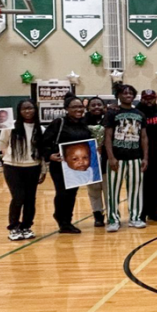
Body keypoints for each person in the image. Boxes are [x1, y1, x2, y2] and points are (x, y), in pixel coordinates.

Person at [0, 100, 45, 240]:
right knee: (18, 198)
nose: (27, 111)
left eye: (30, 108)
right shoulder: (10, 126)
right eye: (24, 109)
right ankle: (14, 228)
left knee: (30, 199)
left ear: (35, 110)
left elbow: (41, 152)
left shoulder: (40, 129)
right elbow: (1, 142)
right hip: (12, 167)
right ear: (19, 111)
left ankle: (26, 226)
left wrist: (43, 170)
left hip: (33, 167)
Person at [42, 94, 92, 234]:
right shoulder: (59, 123)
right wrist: (49, 155)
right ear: (66, 109)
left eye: (80, 106)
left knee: (72, 193)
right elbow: (43, 142)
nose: (78, 109)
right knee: (62, 192)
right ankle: (61, 219)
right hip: (60, 165)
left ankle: (67, 221)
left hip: (77, 164)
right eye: (74, 107)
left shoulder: (84, 123)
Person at [103, 85, 148, 232]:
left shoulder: (140, 114)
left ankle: (135, 218)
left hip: (135, 157)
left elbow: (144, 137)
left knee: (135, 189)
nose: (128, 95)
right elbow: (107, 136)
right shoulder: (112, 113)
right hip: (117, 158)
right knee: (113, 190)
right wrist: (111, 157)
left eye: (130, 93)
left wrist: (145, 157)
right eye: (124, 93)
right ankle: (113, 219)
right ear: (119, 95)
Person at [138, 89, 157, 222]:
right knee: (142, 186)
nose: (149, 101)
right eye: (146, 98)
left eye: (151, 98)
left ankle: (153, 210)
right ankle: (141, 212)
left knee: (156, 185)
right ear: (141, 99)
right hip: (140, 155)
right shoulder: (137, 113)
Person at [84, 97, 107, 226]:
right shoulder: (82, 121)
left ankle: (112, 215)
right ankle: (98, 215)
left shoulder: (109, 119)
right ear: (88, 107)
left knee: (109, 190)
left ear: (104, 107)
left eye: (99, 104)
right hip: (90, 162)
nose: (96, 107)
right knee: (93, 191)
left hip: (107, 161)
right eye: (93, 105)